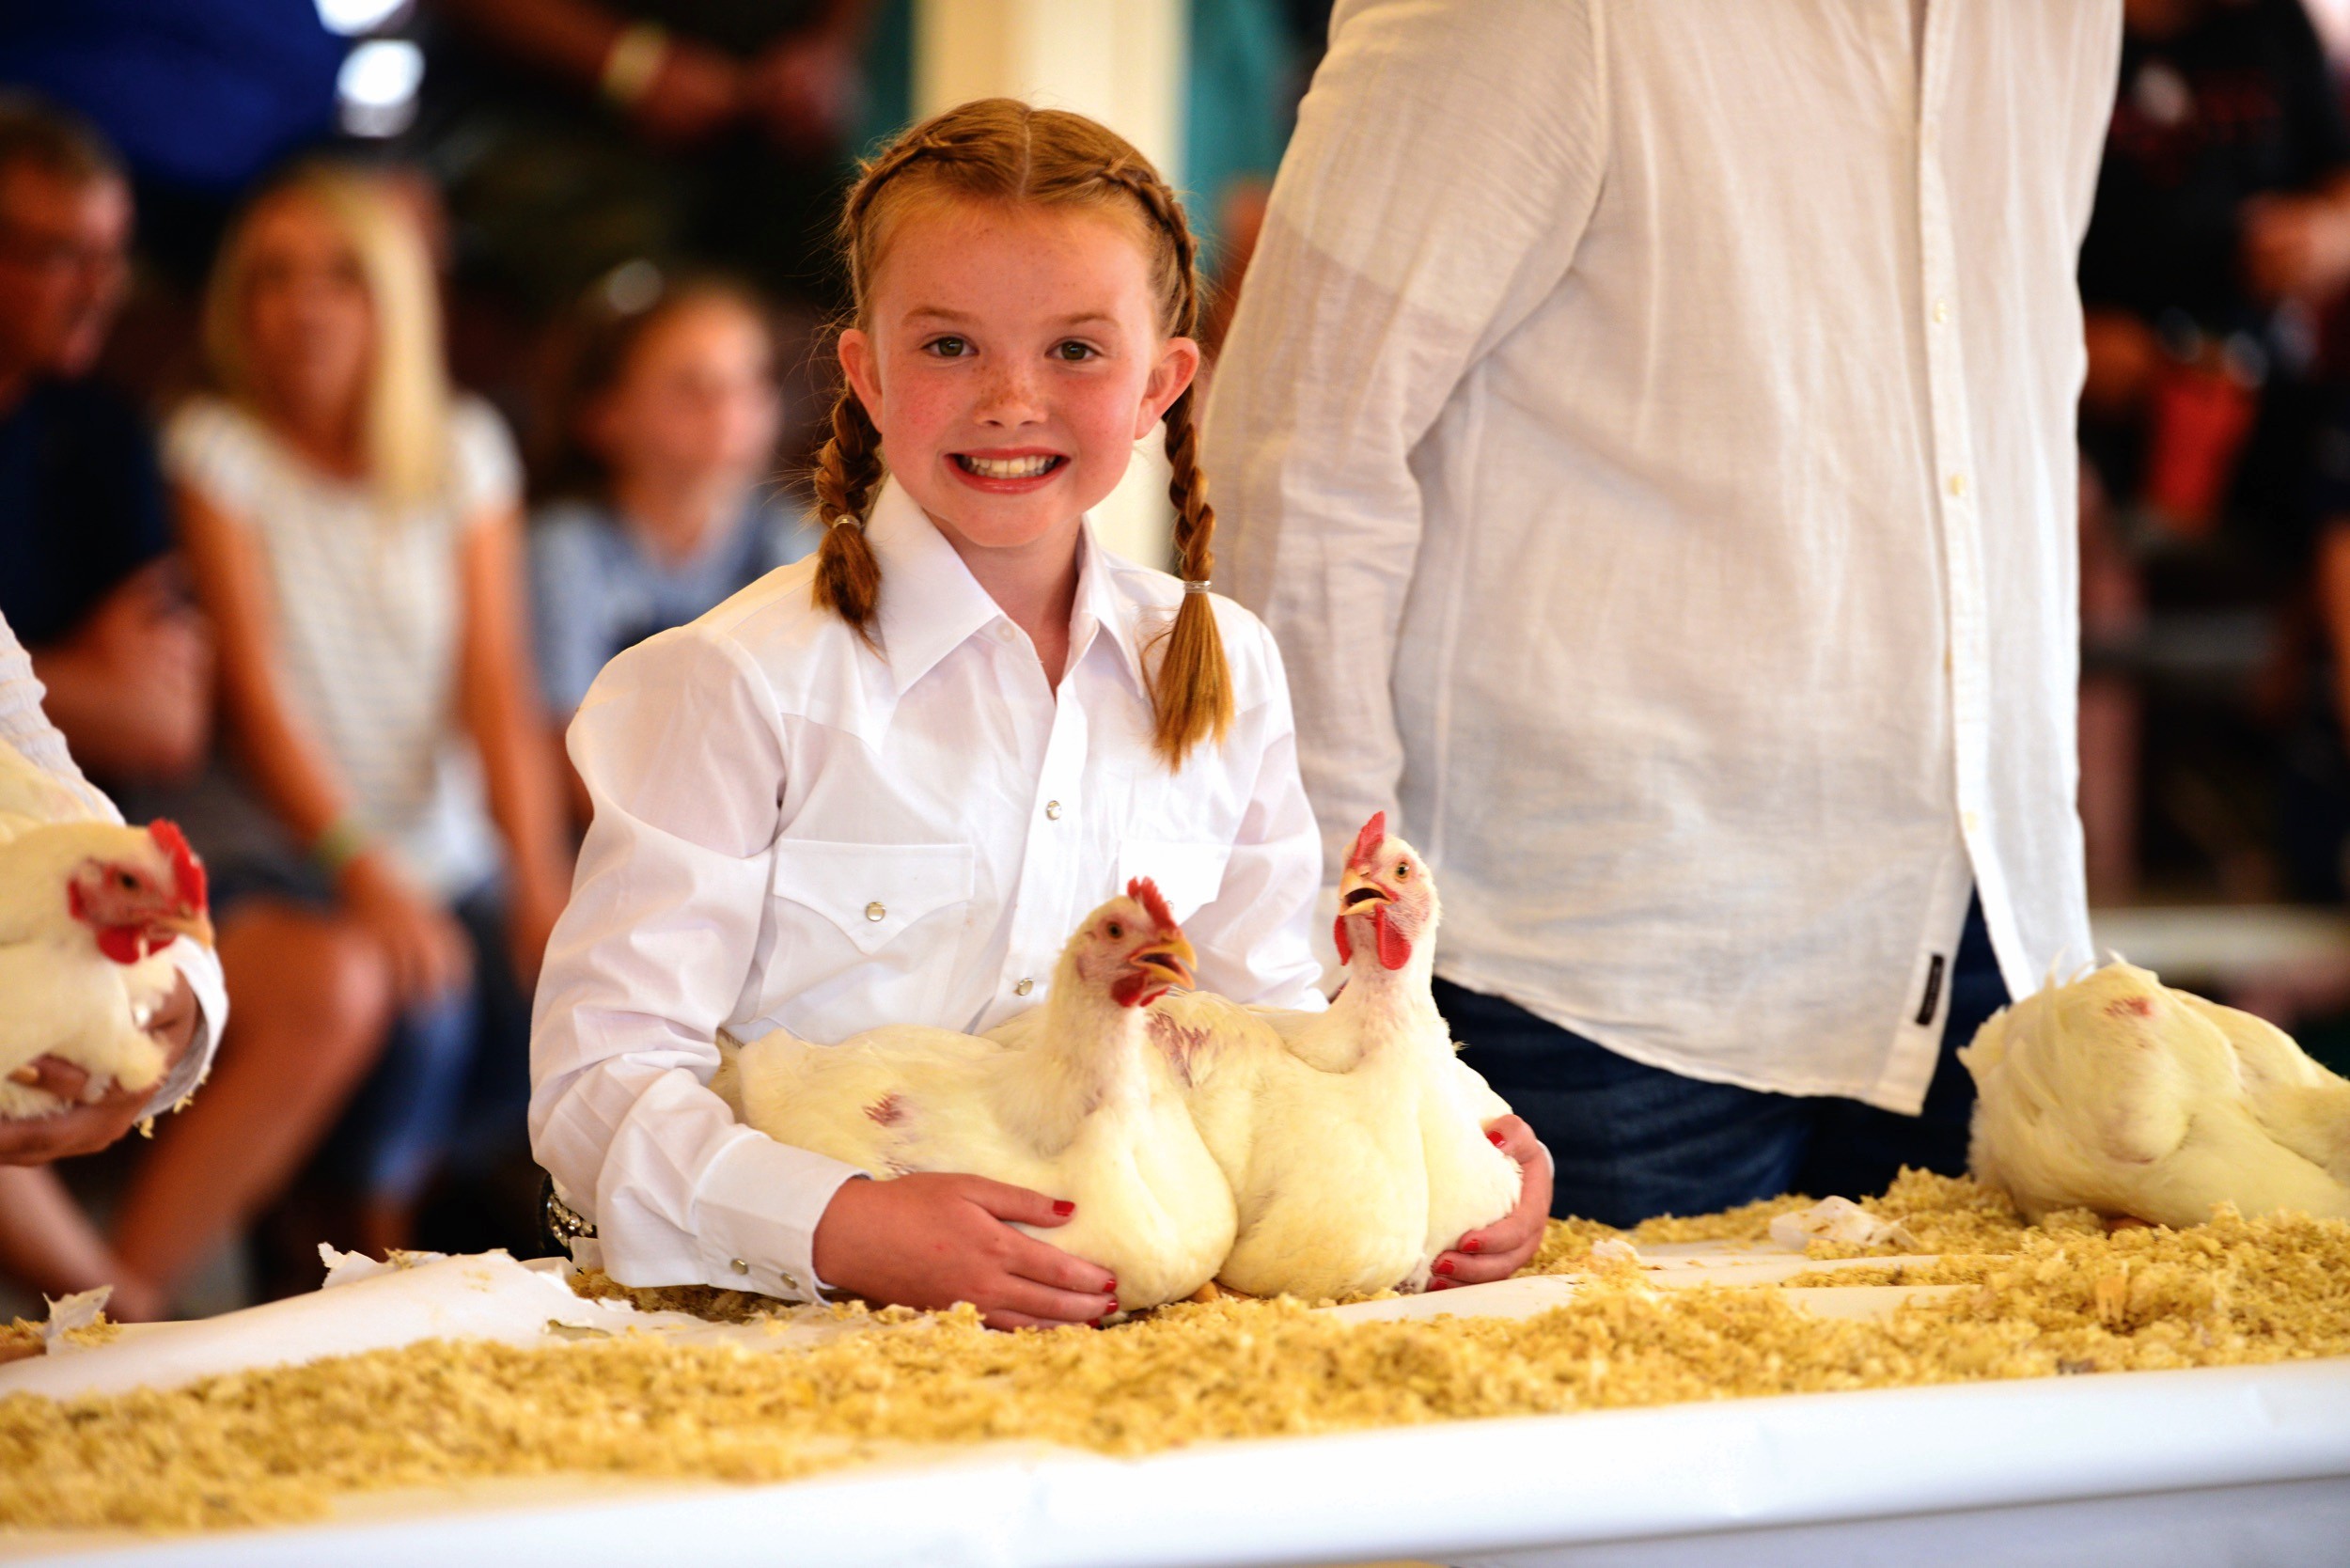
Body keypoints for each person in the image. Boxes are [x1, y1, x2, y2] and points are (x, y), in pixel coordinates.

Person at [529, 99, 1555, 1328]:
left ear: (1163, 385)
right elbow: (600, 1082)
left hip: (1141, 1357)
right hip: (797, 1345)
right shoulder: (740, 680)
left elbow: (1266, 1029)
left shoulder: (1224, 665)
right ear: (864, 371)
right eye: (950, 346)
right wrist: (836, 1225)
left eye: (1076, 350)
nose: (1012, 399)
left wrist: (1450, 1137)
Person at [1205, 1, 2121, 1226]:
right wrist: (1327, 957)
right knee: (1596, 1423)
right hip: (1596, 984)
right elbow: (1300, 451)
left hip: (1991, 952)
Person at [0, 98, 378, 1325]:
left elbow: (125, 737)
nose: (99, 287)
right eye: (56, 251)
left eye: (112, 253)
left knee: (333, 980)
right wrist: (89, 669)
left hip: (58, 857)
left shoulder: (99, 435)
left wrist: (189, 998)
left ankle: (120, 1311)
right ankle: (113, 1311)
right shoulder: (199, 452)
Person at [170, 164, 571, 1255]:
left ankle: (358, 1204)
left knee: (559, 998)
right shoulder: (217, 450)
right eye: (273, 278)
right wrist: (362, 868)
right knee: (423, 1008)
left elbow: (496, 682)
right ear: (237, 305)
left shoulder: (464, 447)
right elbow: (253, 696)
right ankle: (366, 1244)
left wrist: (539, 877)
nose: (302, 306)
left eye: (340, 277)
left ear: (392, 297)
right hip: (291, 842)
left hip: (442, 842)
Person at [529, 272, 809, 821]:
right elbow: (562, 747)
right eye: (691, 386)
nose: (729, 407)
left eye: (749, 381)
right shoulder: (567, 549)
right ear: (605, 415)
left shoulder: (796, 541)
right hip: (611, 837)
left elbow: (807, 739)